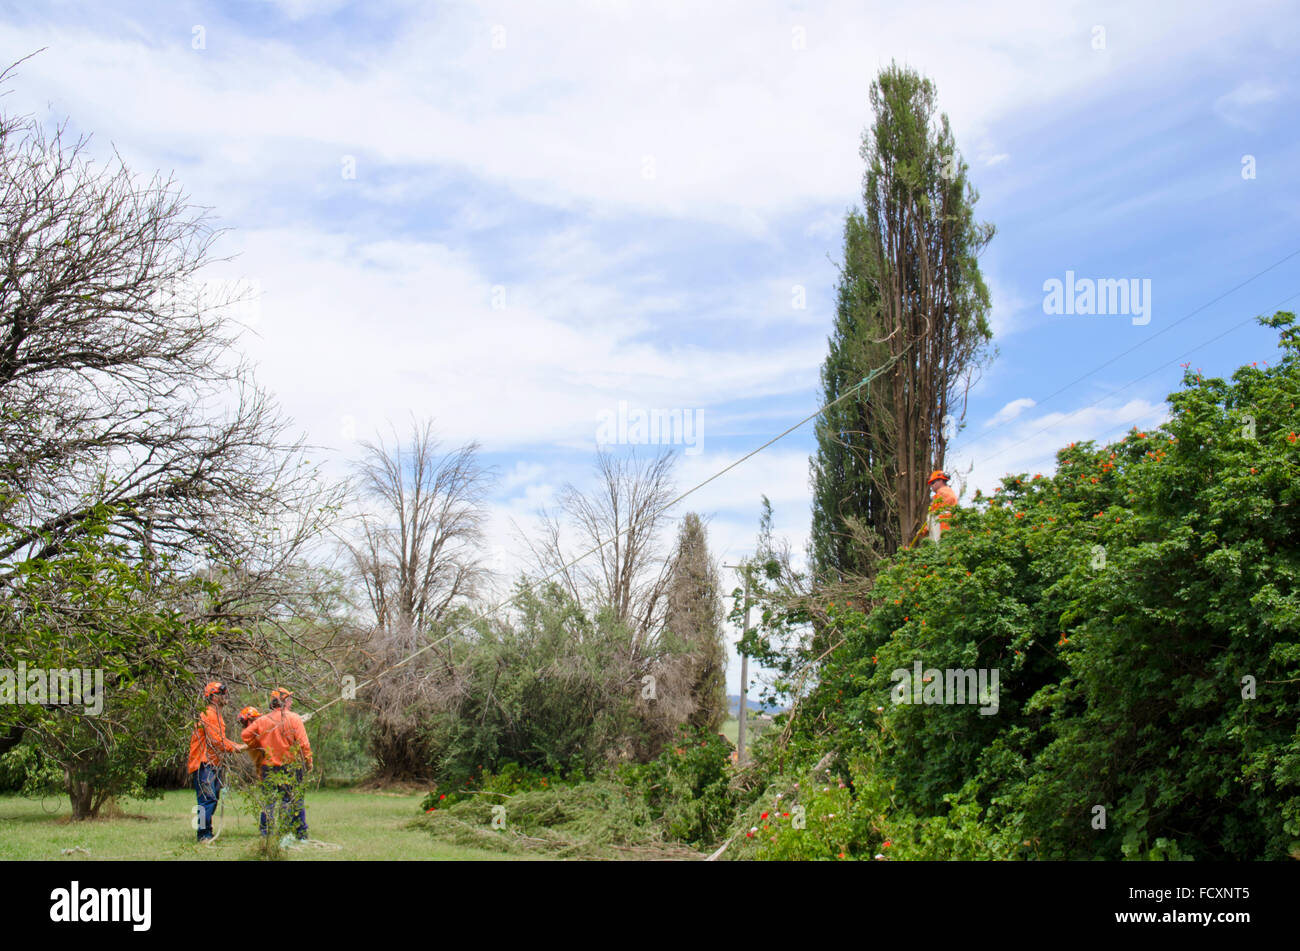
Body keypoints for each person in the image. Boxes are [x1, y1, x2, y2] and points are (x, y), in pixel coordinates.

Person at [242, 687, 313, 840]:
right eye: (290, 699)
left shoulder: (263, 720)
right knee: (293, 799)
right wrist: (309, 762)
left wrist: (260, 739)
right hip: (291, 766)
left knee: (269, 801)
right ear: (284, 701)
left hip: (269, 768)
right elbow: (304, 744)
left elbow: (245, 735)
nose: (292, 702)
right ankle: (294, 833)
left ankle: (266, 834)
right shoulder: (294, 718)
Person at [187, 681, 246, 842]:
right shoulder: (208, 714)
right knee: (207, 799)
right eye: (221, 693)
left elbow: (220, 740)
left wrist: (236, 746)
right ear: (213, 697)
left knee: (212, 799)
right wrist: (236, 747)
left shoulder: (217, 715)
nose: (225, 696)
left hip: (213, 763)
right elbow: (217, 741)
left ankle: (207, 832)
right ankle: (203, 835)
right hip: (203, 763)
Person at [237, 706, 265, 780]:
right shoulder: (249, 737)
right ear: (249, 722)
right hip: (264, 771)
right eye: (255, 720)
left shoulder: (253, 734)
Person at [927, 470, 958, 535]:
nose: (931, 486)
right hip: (950, 529)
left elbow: (934, 514)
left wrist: (924, 530)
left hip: (943, 530)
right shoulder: (949, 492)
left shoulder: (942, 493)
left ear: (940, 481)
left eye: (933, 482)